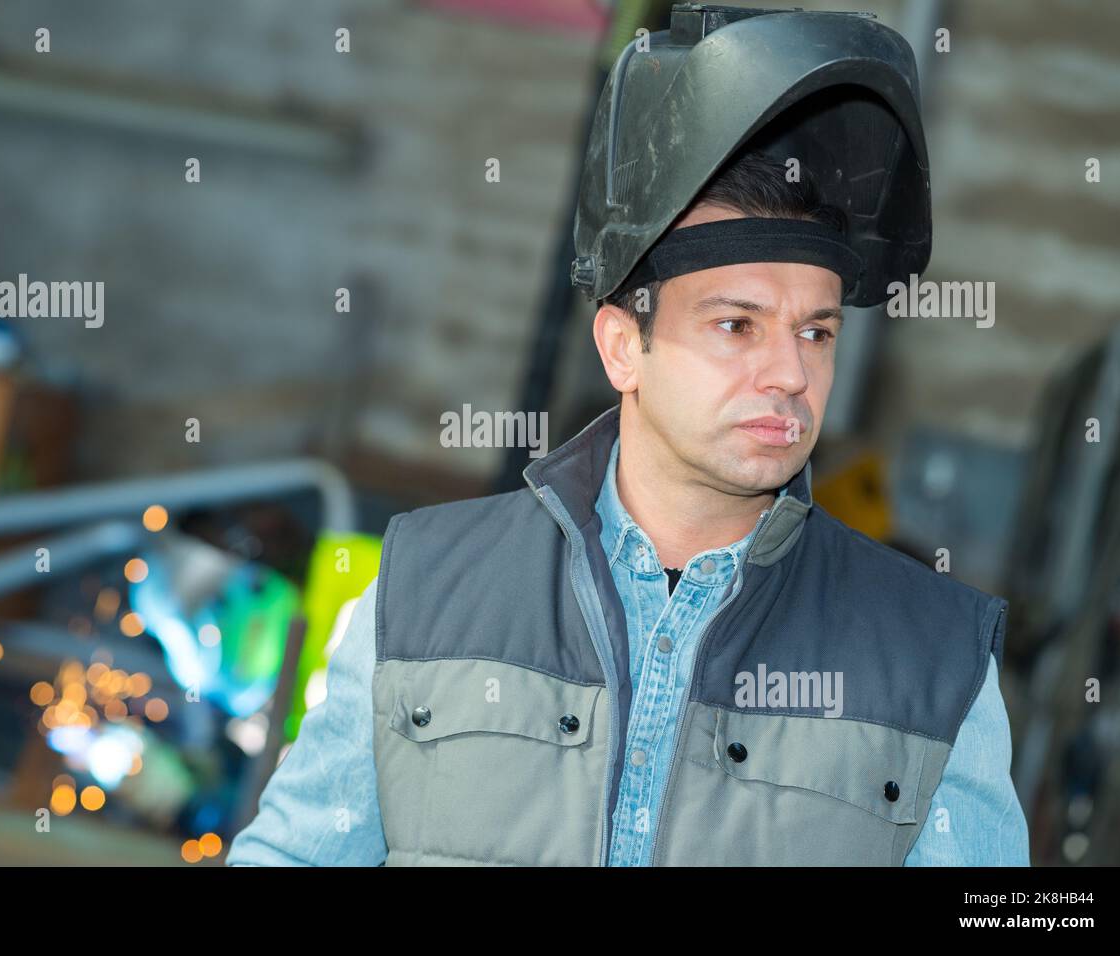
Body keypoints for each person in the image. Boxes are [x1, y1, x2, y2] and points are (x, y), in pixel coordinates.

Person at [229, 5, 1029, 866]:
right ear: (623, 346)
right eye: (737, 326)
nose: (791, 374)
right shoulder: (418, 598)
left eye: (817, 332)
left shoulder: (936, 664)